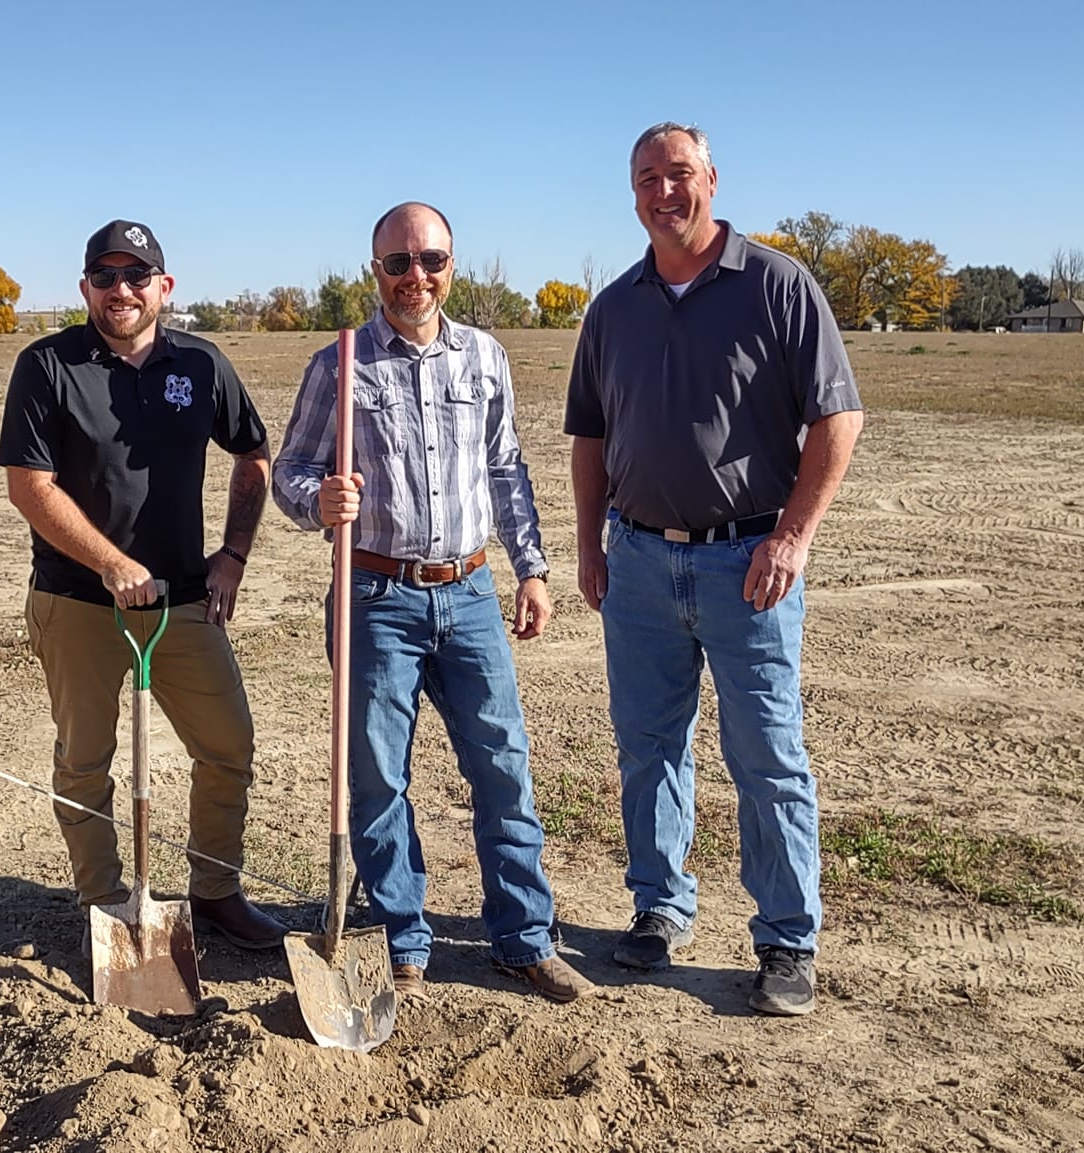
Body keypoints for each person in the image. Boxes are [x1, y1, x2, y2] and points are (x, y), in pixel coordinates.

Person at [565, 123, 865, 1017]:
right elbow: (590, 437)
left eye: (681, 173)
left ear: (713, 180)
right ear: (632, 193)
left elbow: (837, 419)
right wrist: (590, 544)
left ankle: (785, 940)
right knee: (647, 745)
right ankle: (659, 907)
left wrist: (794, 537)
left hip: (750, 564)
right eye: (648, 177)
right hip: (642, 562)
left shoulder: (775, 285)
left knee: (768, 755)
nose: (666, 190)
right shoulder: (613, 307)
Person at [273, 202, 592, 1004]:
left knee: (503, 766)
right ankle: (403, 941)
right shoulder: (339, 364)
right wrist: (321, 501)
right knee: (380, 777)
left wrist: (533, 569)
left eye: (432, 260)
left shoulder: (485, 357)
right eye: (399, 263)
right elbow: (289, 472)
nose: (416, 276)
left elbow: (507, 468)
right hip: (376, 593)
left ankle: (522, 937)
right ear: (374, 270)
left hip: (473, 591)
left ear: (453, 266)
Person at [0, 218, 288, 951]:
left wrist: (234, 555)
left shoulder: (202, 363)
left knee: (228, 744)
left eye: (136, 275)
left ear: (165, 286)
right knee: (85, 760)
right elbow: (30, 486)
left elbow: (253, 454)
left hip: (181, 601)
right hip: (76, 600)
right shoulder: (49, 365)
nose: (120, 289)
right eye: (105, 276)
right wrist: (108, 561)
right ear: (85, 287)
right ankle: (104, 905)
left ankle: (217, 889)